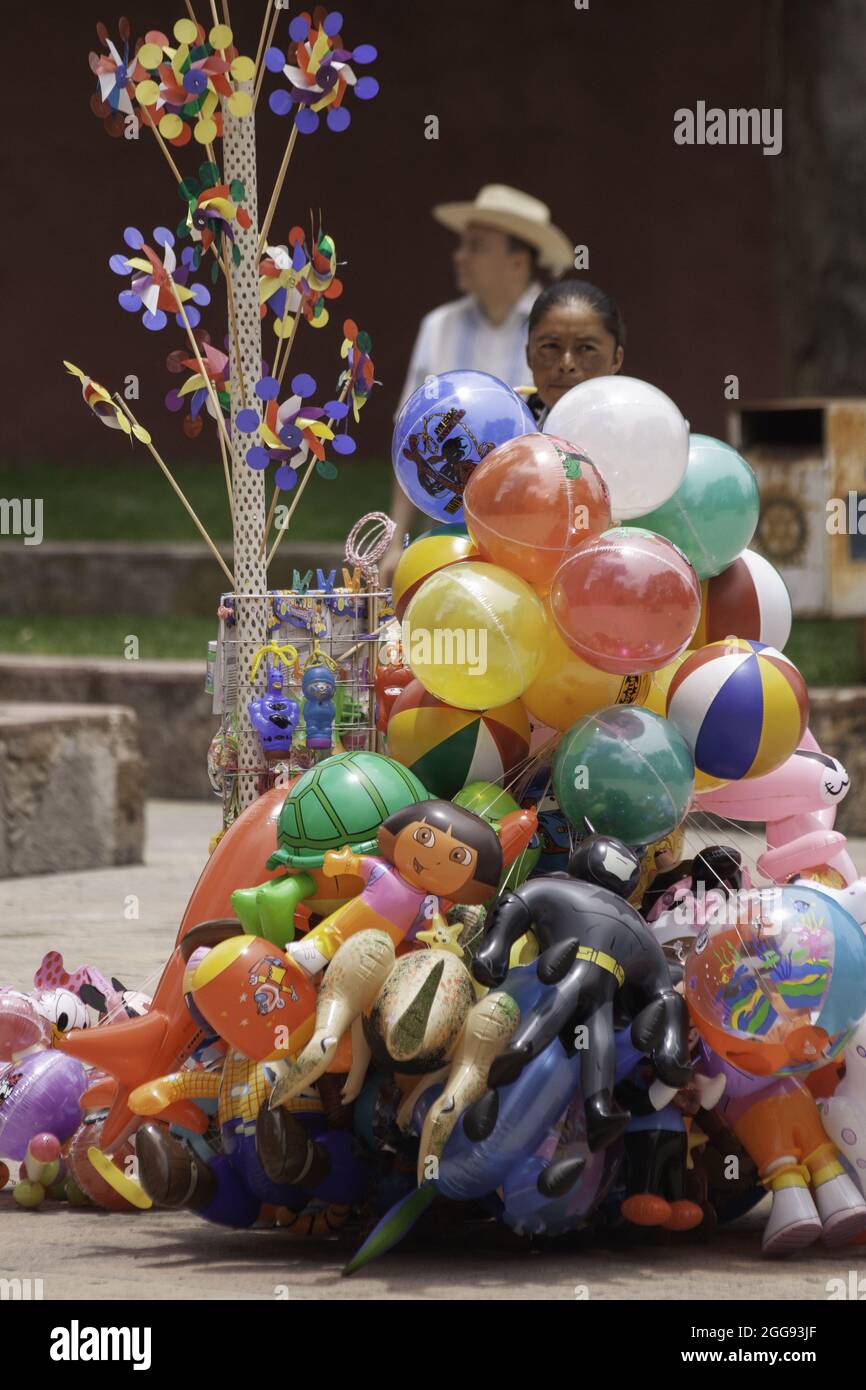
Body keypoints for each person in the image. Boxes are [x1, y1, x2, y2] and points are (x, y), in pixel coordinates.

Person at [381, 185, 573, 579]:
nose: (460, 256)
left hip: (538, 534)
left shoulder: (560, 330)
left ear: (518, 261)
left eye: (477, 246)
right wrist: (395, 543)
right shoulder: (439, 327)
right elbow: (412, 441)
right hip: (449, 542)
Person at [382, 275, 626, 581]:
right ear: (528, 354)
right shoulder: (500, 430)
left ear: (616, 358)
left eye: (586, 348)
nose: (566, 363)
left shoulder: (640, 433)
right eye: (550, 346)